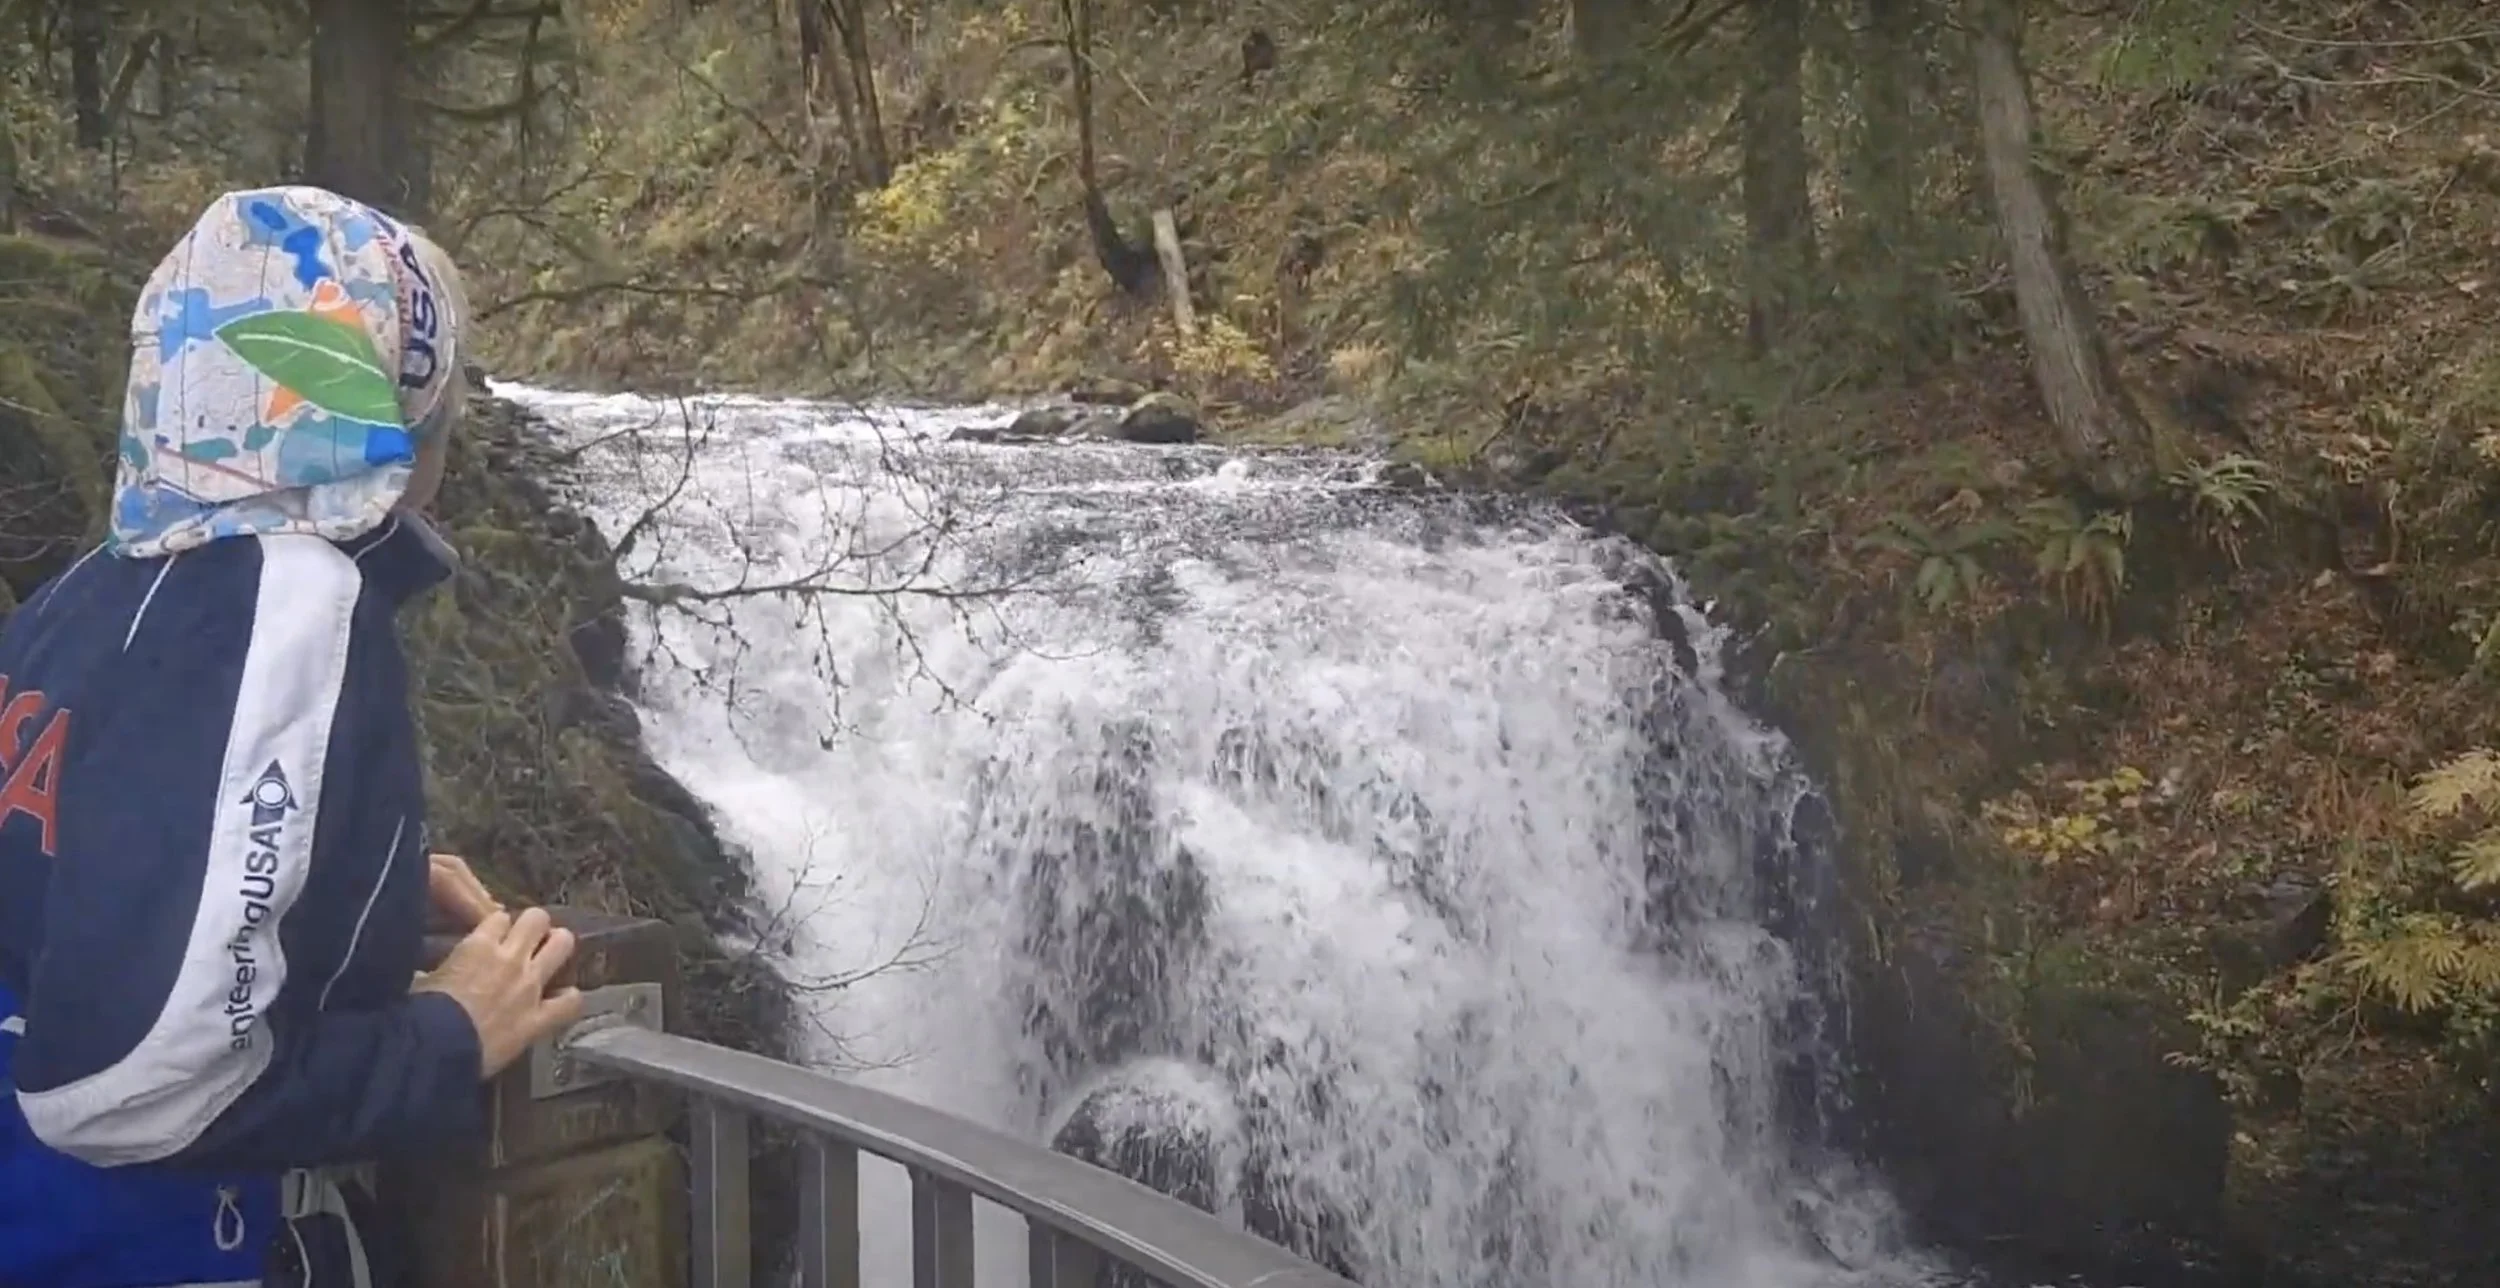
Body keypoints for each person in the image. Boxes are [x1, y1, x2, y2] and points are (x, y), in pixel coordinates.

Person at [0, 185, 588, 1288]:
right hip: (148, 1248)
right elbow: (128, 1091)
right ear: (380, 399)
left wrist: (335, 877)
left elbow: (101, 857)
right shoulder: (291, 597)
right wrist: (447, 1035)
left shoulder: (97, 587)